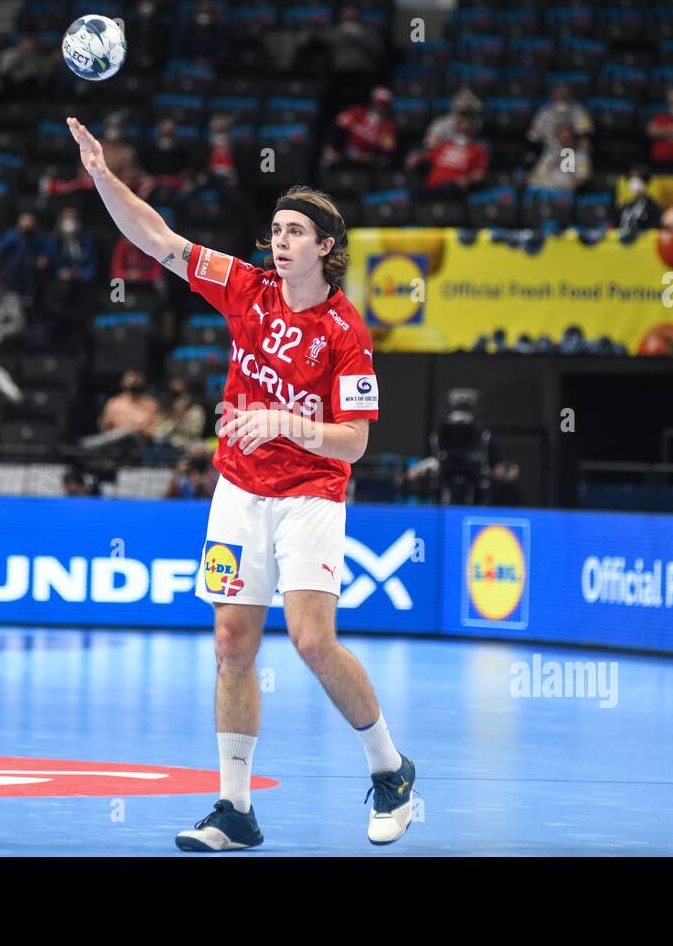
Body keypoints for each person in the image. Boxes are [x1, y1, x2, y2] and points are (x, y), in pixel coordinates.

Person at [69, 115, 416, 850]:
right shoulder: (245, 288)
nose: (279, 239)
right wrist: (103, 175)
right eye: (276, 229)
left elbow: (354, 443)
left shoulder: (345, 331)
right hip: (238, 490)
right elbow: (158, 239)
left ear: (325, 246)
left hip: (311, 495)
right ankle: (235, 808)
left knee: (312, 640)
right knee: (231, 642)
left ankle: (390, 770)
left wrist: (285, 422)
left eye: (294, 231)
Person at [151, 377, 206, 452]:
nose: (178, 398)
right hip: (166, 446)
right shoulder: (165, 410)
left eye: (181, 394)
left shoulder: (196, 411)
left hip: (187, 446)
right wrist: (174, 417)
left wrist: (182, 416)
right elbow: (158, 433)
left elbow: (195, 433)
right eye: (174, 394)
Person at [616, 167, 663, 235]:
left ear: (644, 182)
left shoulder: (654, 208)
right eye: (631, 180)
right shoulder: (625, 207)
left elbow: (655, 231)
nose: (633, 183)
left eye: (636, 179)